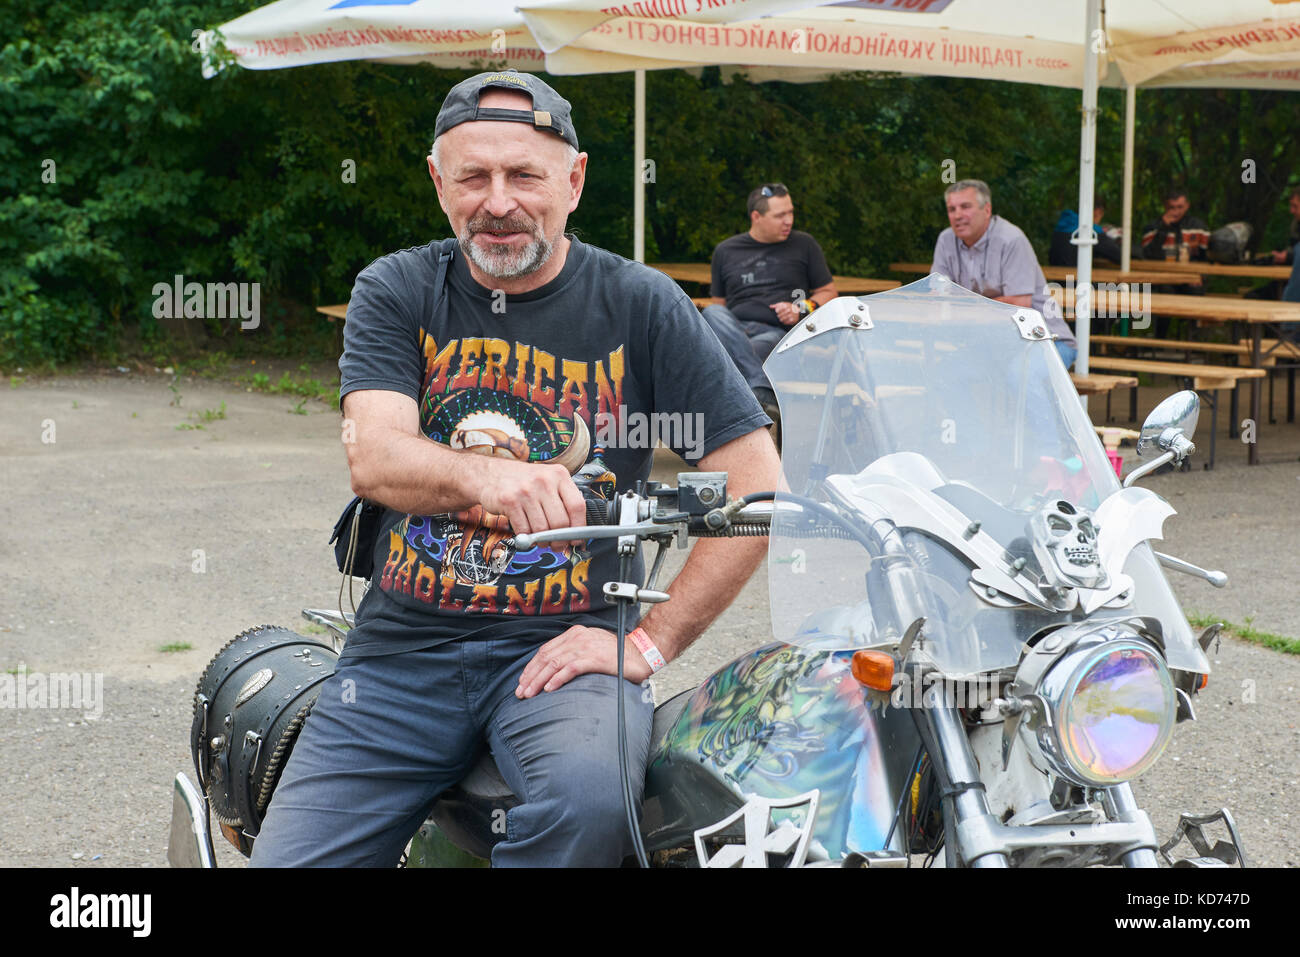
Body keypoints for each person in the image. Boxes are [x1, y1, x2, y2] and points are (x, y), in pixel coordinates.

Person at [248, 71, 780, 867]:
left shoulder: (642, 303)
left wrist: (652, 643)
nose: (498, 201)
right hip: (399, 654)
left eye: (524, 175)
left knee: (592, 810)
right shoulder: (398, 289)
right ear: (439, 183)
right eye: (474, 176)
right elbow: (375, 453)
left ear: (574, 180)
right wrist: (491, 478)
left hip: (566, 648)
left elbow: (758, 483)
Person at [702, 183, 837, 417]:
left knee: (740, 354)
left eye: (791, 212)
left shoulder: (805, 245)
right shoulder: (725, 251)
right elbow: (718, 304)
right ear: (757, 217)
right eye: (780, 215)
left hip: (777, 333)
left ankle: (744, 407)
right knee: (712, 313)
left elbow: (829, 292)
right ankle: (762, 389)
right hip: (734, 329)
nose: (789, 221)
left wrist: (801, 307)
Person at [931, 179, 1077, 368]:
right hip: (987, 344)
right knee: (944, 373)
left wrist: (960, 306)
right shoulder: (945, 240)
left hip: (1044, 340)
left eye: (965, 207)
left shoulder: (1011, 239)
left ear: (987, 210)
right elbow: (936, 295)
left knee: (1019, 378)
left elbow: (1018, 305)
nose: (957, 215)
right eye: (952, 209)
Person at [1141, 188, 1211, 264]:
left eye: (1180, 207)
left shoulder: (1198, 227)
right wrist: (1163, 228)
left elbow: (1209, 256)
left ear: (1187, 206)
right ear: (1165, 206)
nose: (1176, 211)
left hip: (1191, 273)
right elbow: (1147, 255)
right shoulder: (1153, 227)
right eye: (1172, 207)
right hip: (1161, 272)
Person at [1048, 198, 1124, 267]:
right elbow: (1120, 257)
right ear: (1098, 211)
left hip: (1058, 279)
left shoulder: (1062, 225)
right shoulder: (1091, 231)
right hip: (1077, 280)